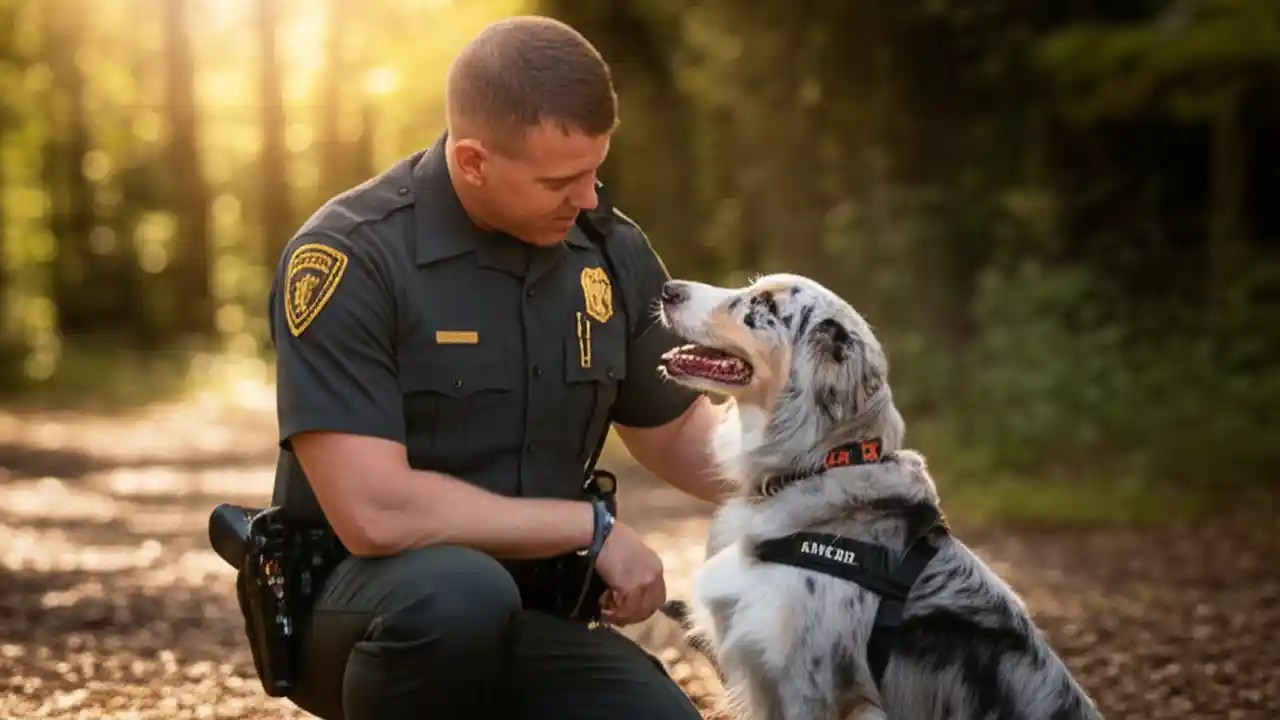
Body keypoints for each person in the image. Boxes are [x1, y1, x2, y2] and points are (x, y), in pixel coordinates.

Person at [263, 14, 729, 720]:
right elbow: (374, 513)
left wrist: (835, 480)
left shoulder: (608, 251)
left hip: (533, 618)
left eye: (596, 171)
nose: (589, 199)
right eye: (561, 181)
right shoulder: (353, 258)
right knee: (457, 597)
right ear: (473, 161)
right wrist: (589, 530)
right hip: (375, 616)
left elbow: (679, 435)